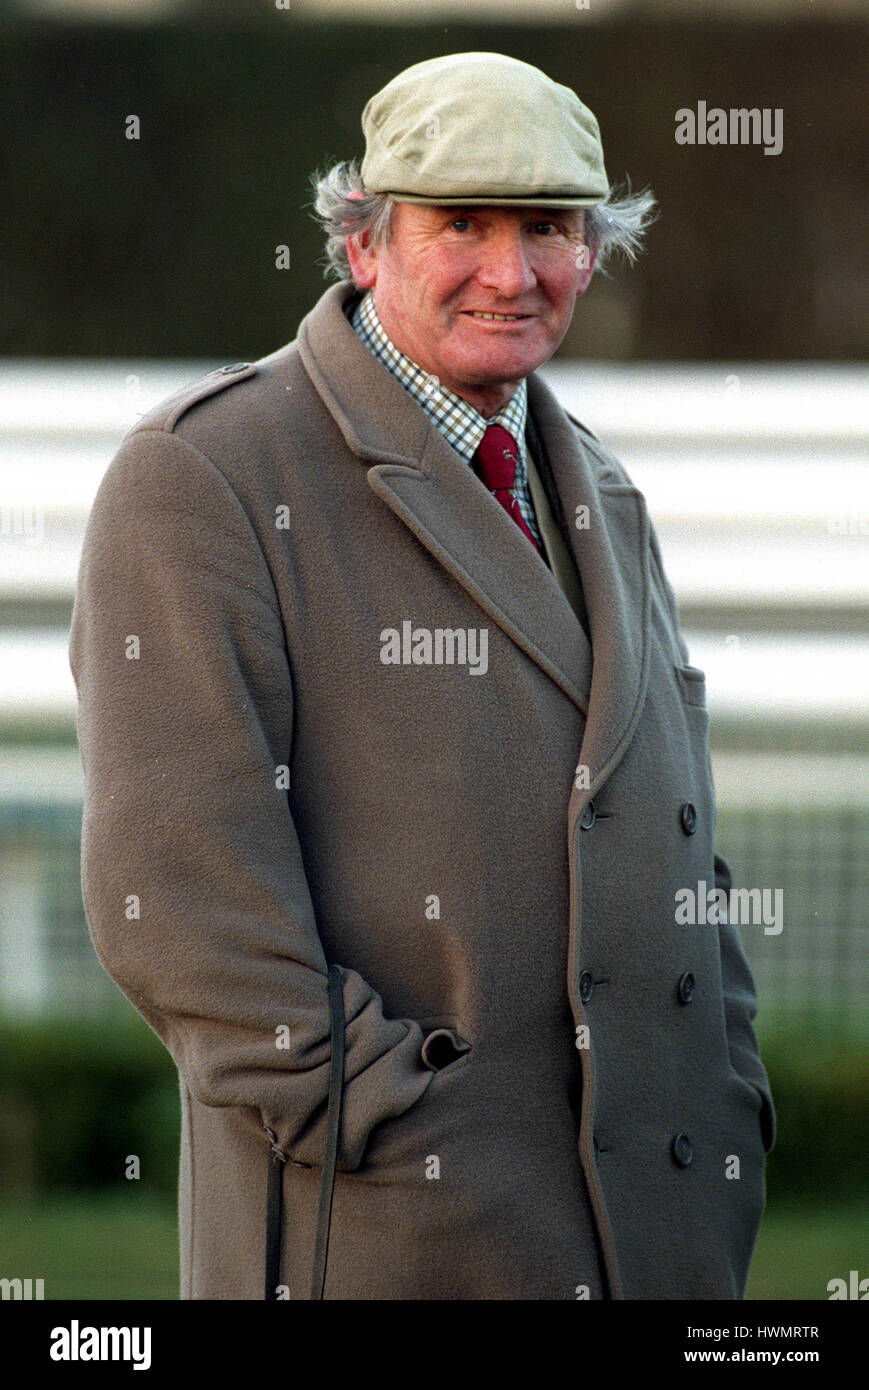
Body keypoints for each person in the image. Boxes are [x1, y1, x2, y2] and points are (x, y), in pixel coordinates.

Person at [69, 51, 774, 1301]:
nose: (511, 273)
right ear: (362, 244)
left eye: (548, 227)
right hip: (397, 1242)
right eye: (462, 223)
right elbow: (179, 904)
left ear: (591, 254)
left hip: (663, 1246)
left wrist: (725, 1102)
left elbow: (677, 848)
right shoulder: (206, 475)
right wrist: (397, 1130)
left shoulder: (604, 492)